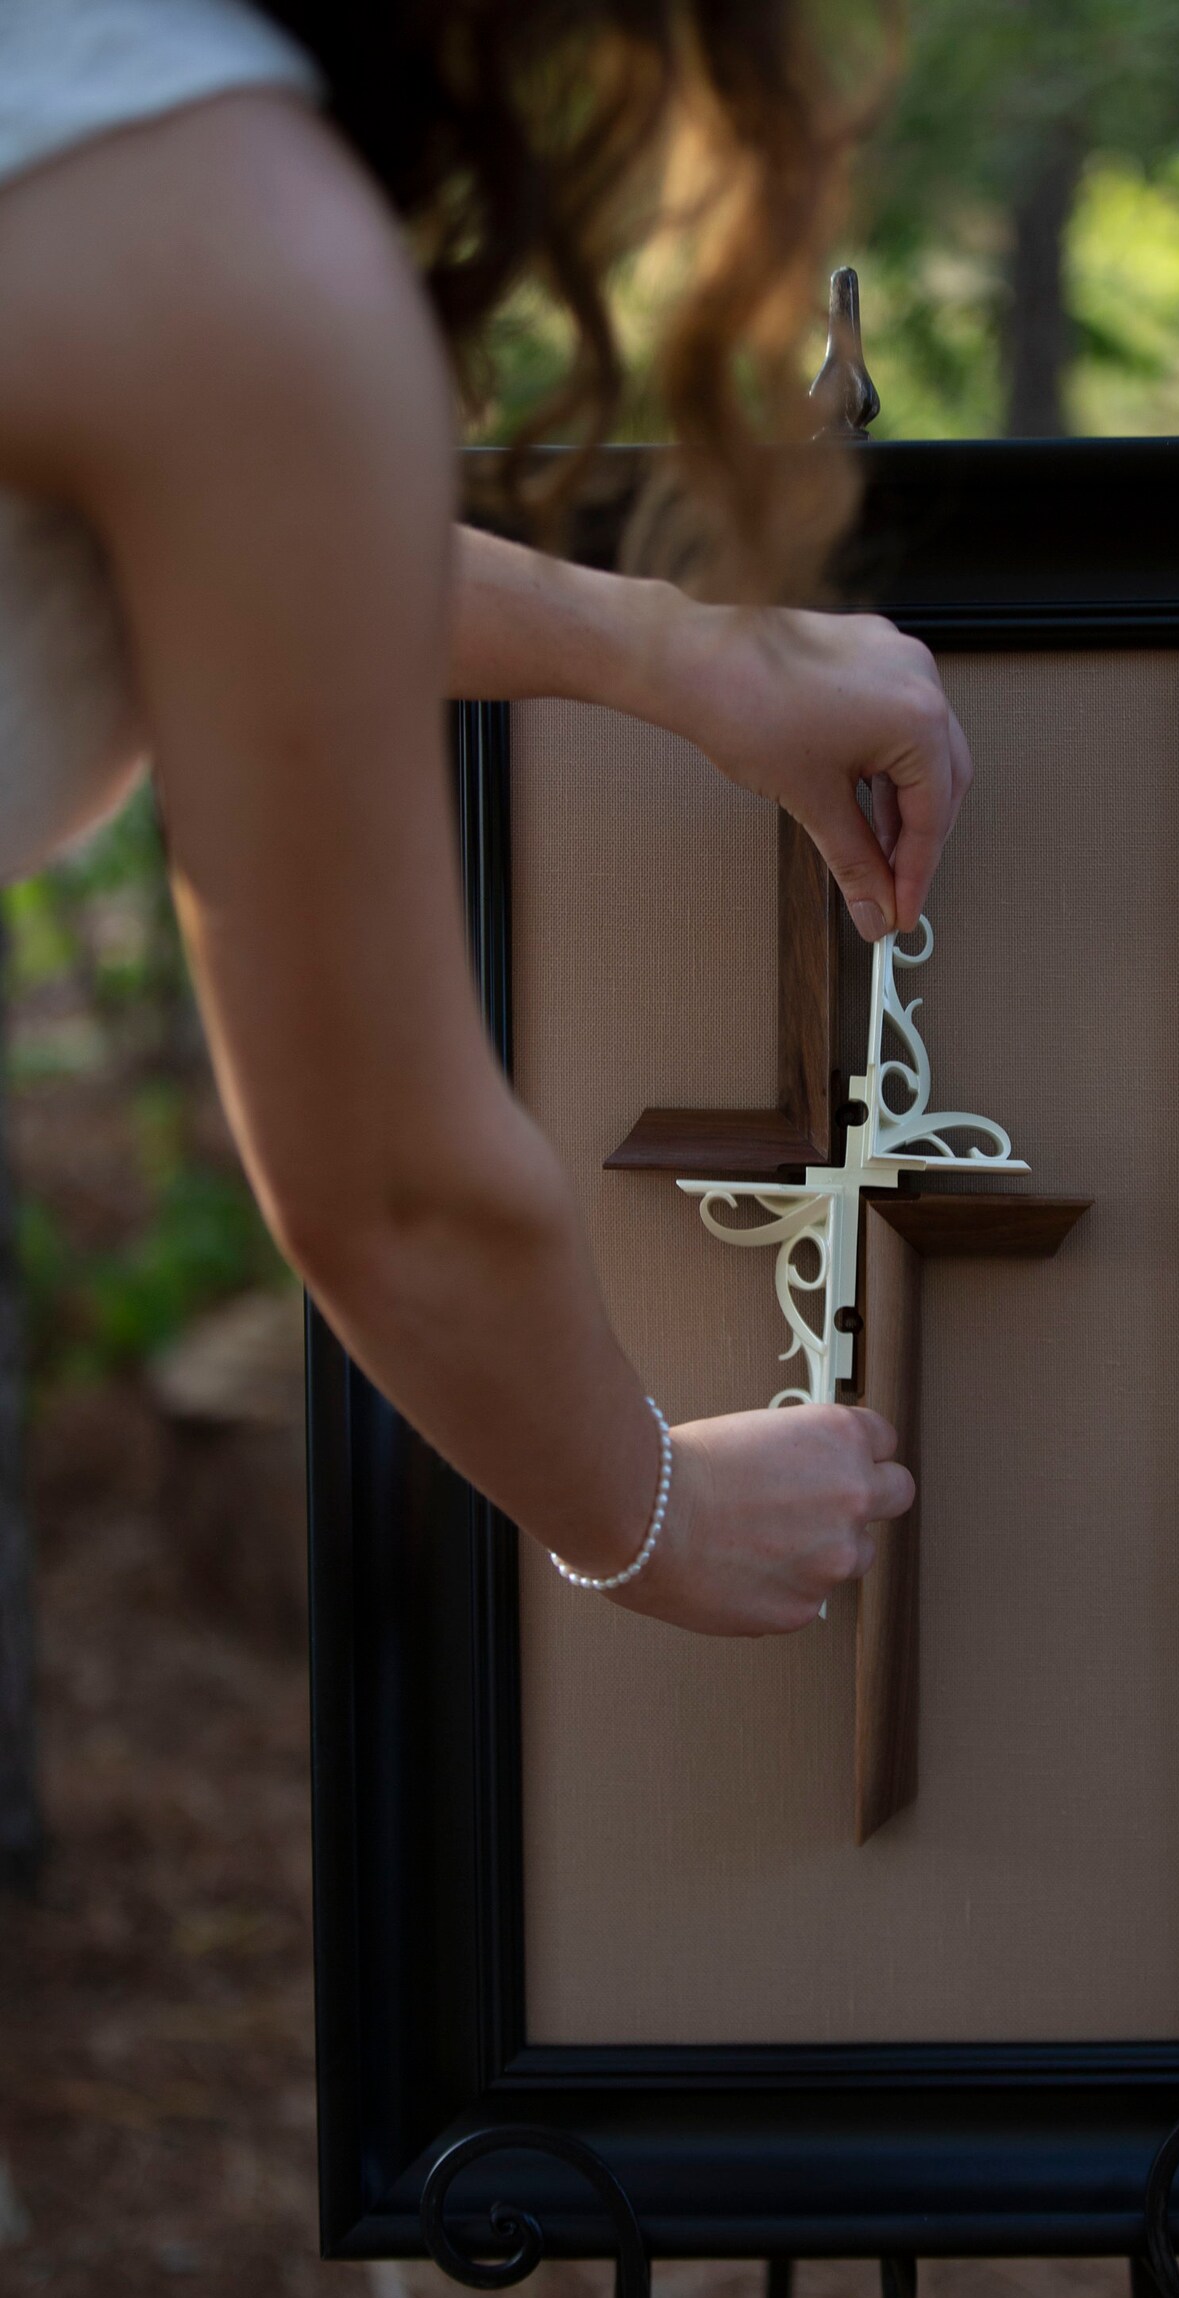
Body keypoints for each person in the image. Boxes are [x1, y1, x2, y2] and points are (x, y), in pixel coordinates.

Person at [0, 2, 972, 1635]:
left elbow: (233, 553)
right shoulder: (220, 224)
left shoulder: (91, 122)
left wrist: (680, 651)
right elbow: (392, 1182)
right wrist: (655, 1509)